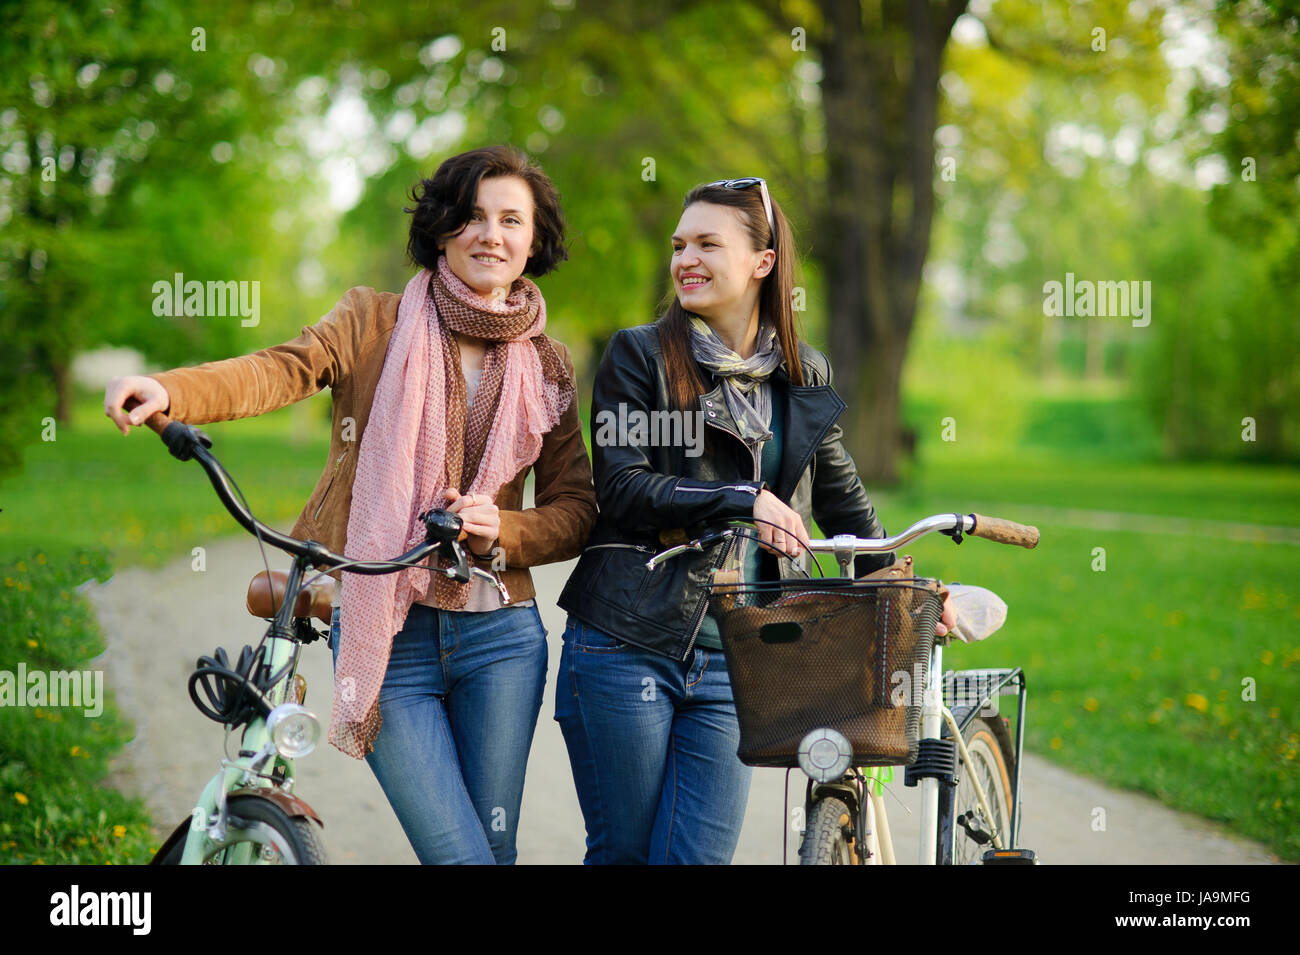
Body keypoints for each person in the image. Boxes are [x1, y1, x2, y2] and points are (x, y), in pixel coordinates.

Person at [104, 145, 597, 864]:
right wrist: (173, 390)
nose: (490, 233)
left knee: (493, 849)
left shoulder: (547, 365)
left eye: (510, 220)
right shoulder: (373, 322)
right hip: (385, 631)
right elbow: (278, 369)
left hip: (502, 639)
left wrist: (507, 529)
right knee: (460, 856)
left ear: (533, 240)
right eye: (471, 216)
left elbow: (576, 507)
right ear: (439, 232)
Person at [554, 177, 955, 865]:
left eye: (709, 243)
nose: (686, 258)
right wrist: (742, 498)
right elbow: (621, 487)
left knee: (695, 859)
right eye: (680, 244)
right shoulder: (639, 355)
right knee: (622, 854)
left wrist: (904, 589)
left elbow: (847, 507)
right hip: (626, 642)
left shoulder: (803, 372)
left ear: (762, 262)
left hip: (739, 657)